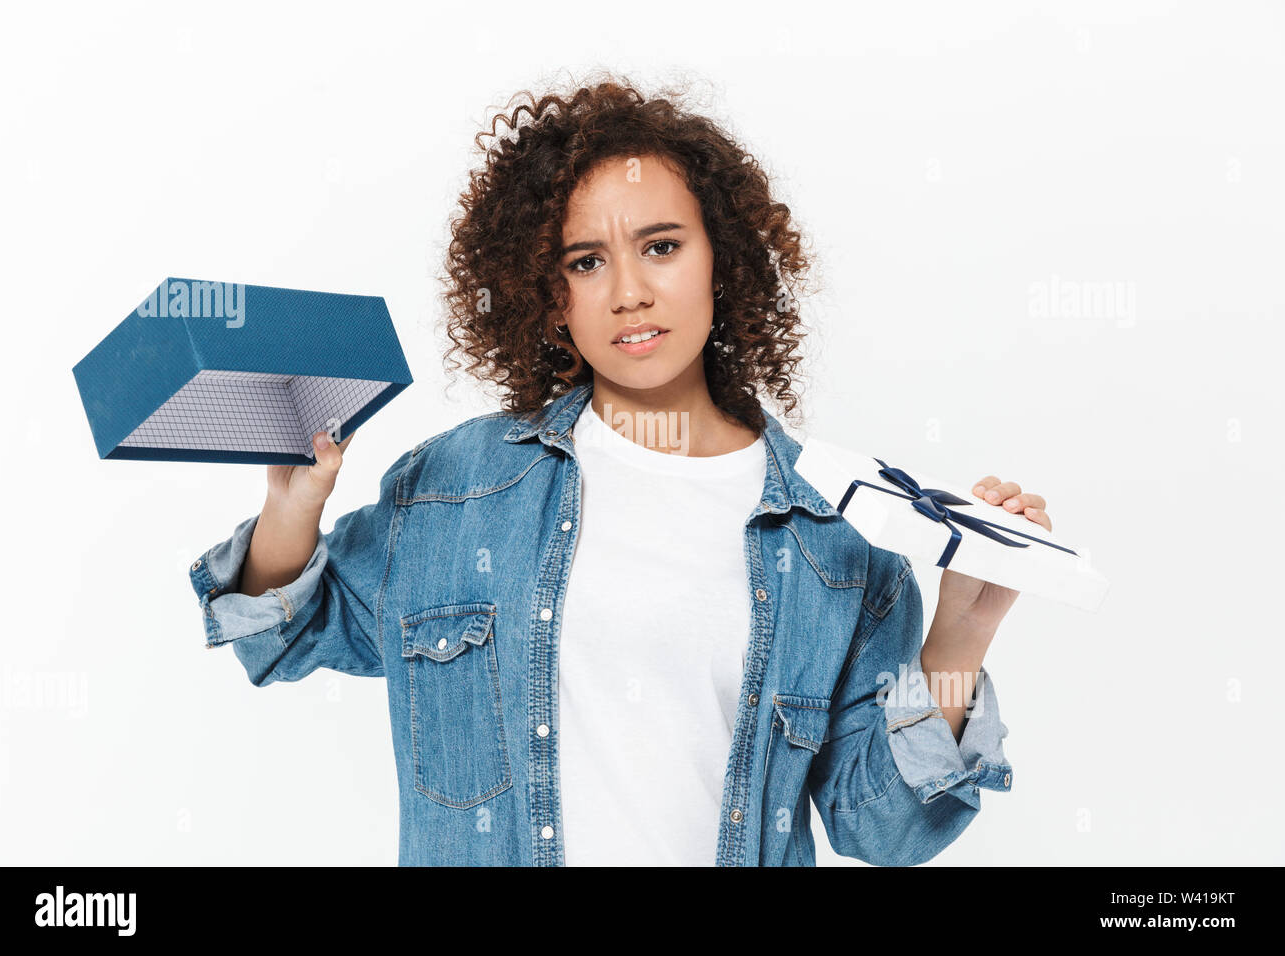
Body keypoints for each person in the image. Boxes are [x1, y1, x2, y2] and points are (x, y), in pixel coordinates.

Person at [188, 75, 1051, 866]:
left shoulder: (840, 537)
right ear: (547, 291)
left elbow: (883, 829)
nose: (628, 292)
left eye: (662, 247)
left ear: (724, 258)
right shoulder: (458, 489)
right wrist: (291, 506)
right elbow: (281, 636)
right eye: (586, 261)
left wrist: (960, 638)